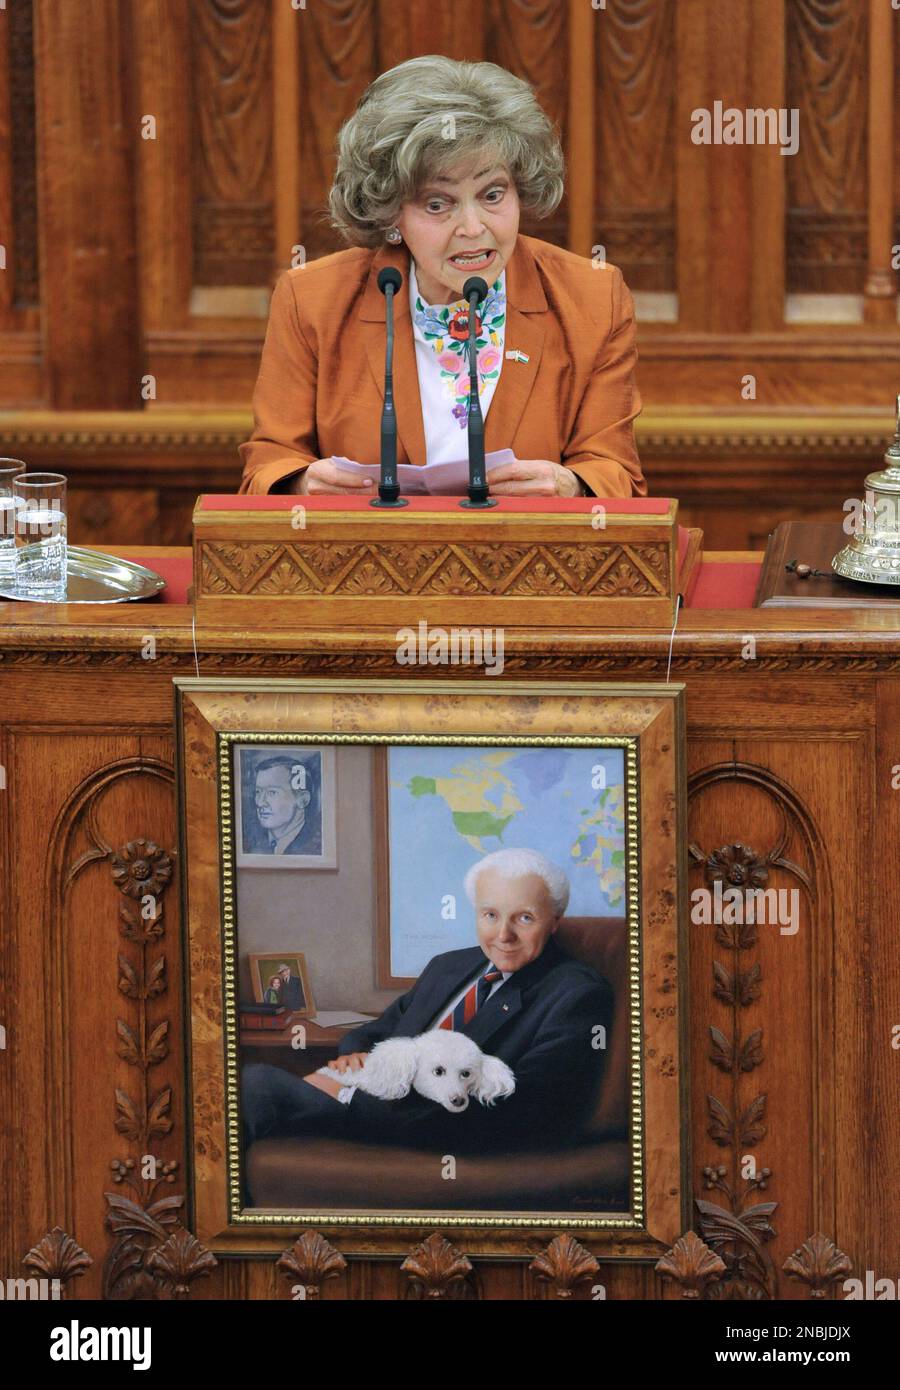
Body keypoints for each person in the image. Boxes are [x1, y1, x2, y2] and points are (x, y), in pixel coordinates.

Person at [239, 55, 645, 501]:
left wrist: (574, 485)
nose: (472, 227)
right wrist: (300, 482)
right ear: (391, 210)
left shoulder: (593, 298)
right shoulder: (312, 300)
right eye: (438, 204)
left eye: (492, 194)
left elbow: (616, 473)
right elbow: (270, 462)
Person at [241, 848, 613, 1155]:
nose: (504, 935)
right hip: (369, 1094)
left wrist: (350, 1096)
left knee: (258, 1086)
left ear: (555, 922)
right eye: (490, 915)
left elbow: (526, 1113)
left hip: (430, 1130)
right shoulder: (449, 967)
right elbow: (377, 1031)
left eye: (525, 918)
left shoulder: (576, 994)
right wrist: (352, 1058)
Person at [250, 756, 320, 856]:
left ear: (302, 800)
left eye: (272, 792)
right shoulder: (255, 845)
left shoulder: (316, 848)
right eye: (258, 792)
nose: (260, 802)